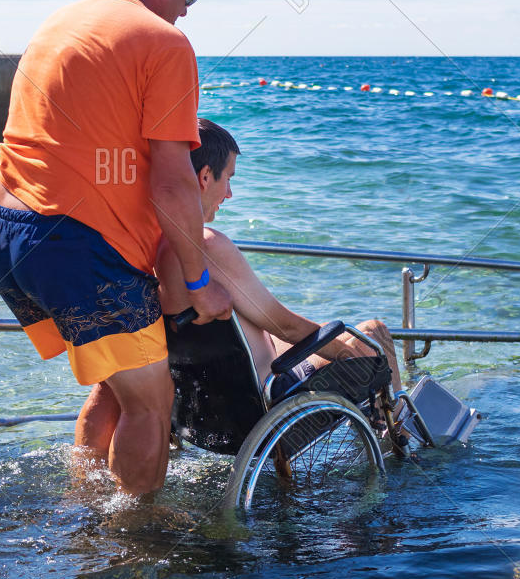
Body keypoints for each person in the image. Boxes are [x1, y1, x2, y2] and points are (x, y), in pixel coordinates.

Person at [0, 0, 233, 498]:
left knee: (115, 384)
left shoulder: (62, 21)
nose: (188, 11)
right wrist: (199, 281)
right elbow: (174, 183)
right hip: (79, 247)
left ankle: (86, 505)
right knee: (152, 402)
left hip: (8, 234)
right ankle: (132, 546)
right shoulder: (163, 41)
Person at [156, 119, 403, 390]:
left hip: (216, 397)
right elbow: (286, 327)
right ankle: (399, 429)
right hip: (274, 391)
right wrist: (356, 361)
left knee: (341, 337)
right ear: (205, 177)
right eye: (228, 179)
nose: (229, 194)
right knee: (372, 334)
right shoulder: (209, 246)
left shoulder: (157, 248)